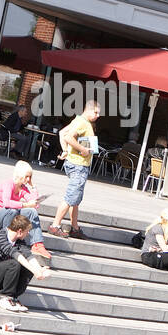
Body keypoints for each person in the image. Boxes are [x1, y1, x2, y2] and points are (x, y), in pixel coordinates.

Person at [0, 213, 52, 312]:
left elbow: (28, 255)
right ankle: (4, 297)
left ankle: (14, 297)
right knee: (15, 263)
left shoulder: (19, 241)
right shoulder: (0, 236)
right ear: (20, 231)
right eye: (27, 231)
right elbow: (15, 255)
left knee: (26, 265)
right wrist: (35, 271)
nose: (28, 234)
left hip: (5, 277)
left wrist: (39, 269)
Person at [49, 100, 100, 240]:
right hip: (79, 165)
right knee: (71, 196)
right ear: (88, 110)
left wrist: (66, 150)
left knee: (75, 198)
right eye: (96, 112)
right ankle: (55, 225)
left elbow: (62, 133)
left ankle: (75, 227)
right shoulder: (83, 122)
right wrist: (82, 149)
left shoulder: (79, 120)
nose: (98, 115)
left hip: (77, 164)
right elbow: (68, 136)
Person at [0, 161, 50, 259]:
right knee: (12, 210)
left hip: (8, 215)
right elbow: (6, 203)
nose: (28, 179)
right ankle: (6, 242)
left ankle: (37, 244)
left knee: (31, 212)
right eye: (26, 176)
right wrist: (25, 204)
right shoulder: (8, 183)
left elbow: (34, 206)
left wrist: (33, 187)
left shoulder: (23, 188)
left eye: (30, 177)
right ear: (19, 174)